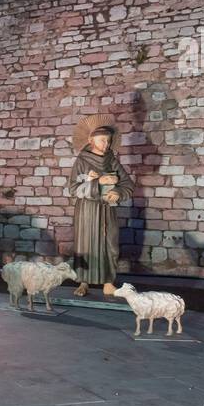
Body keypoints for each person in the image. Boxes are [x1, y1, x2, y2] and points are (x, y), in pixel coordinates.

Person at [68, 115, 134, 296]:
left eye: (108, 141)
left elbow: (128, 184)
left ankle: (108, 282)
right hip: (87, 210)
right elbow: (73, 188)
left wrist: (118, 192)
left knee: (109, 244)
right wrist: (98, 183)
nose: (106, 144)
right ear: (91, 140)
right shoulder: (82, 161)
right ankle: (83, 281)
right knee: (85, 244)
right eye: (102, 140)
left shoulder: (112, 160)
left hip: (107, 210)